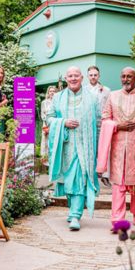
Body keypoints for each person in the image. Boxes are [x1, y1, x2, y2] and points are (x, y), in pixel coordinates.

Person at [98, 67, 135, 227]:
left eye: (129, 76)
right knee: (118, 184)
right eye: (123, 76)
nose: (126, 79)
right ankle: (117, 219)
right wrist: (117, 125)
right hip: (118, 148)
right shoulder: (113, 96)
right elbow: (104, 119)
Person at [45, 67, 100, 231]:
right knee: (68, 181)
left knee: (80, 178)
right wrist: (63, 123)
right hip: (65, 145)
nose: (73, 78)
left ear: (82, 77)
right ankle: (73, 210)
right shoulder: (57, 97)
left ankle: (75, 214)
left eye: (76, 75)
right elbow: (49, 119)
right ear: (66, 79)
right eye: (70, 76)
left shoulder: (92, 98)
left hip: (85, 146)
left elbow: (98, 122)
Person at [87, 65, 111, 187]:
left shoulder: (106, 90)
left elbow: (109, 106)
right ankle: (91, 175)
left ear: (99, 76)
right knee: (90, 149)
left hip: (102, 124)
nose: (93, 77)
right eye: (91, 75)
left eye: (95, 75)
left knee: (104, 149)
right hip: (88, 125)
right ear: (87, 76)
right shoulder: (83, 89)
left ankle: (105, 175)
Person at [40, 86, 58, 160]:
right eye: (50, 91)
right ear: (48, 92)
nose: (52, 92)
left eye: (54, 91)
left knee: (54, 140)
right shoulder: (44, 102)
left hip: (56, 124)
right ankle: (45, 158)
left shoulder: (58, 102)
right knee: (46, 140)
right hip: (46, 124)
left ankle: (54, 158)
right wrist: (47, 122)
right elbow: (42, 114)